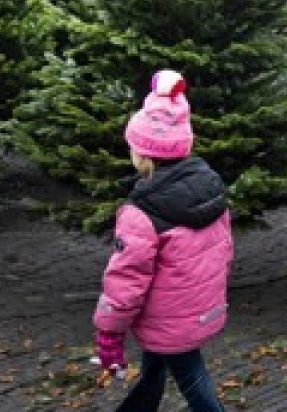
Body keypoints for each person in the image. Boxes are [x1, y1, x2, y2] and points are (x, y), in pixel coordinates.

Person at [94, 69, 233, 411]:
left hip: (170, 319)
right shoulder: (210, 189)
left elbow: (126, 279)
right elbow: (223, 251)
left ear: (142, 154)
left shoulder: (141, 212)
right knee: (155, 366)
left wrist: (109, 331)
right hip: (200, 309)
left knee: (193, 380)